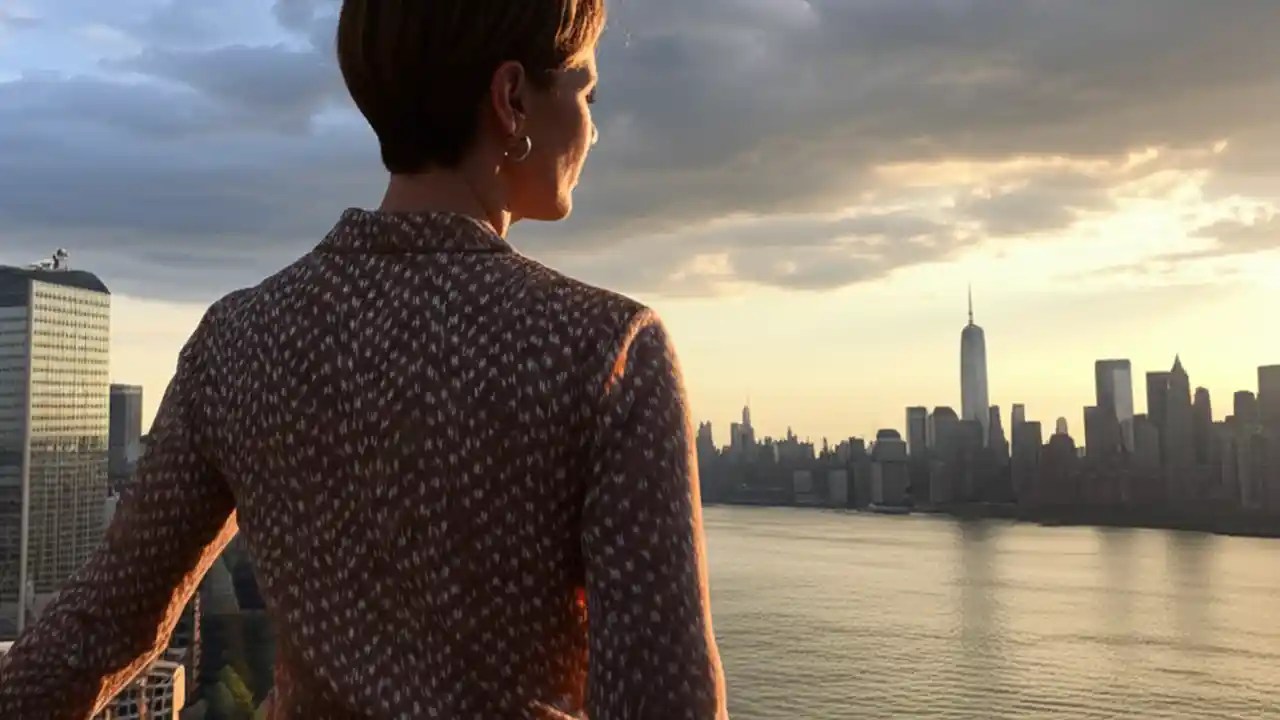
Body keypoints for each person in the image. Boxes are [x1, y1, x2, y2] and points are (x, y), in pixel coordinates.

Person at [0, 1, 728, 718]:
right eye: (586, 93)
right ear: (512, 99)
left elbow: (98, 627)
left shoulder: (240, 338)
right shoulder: (606, 349)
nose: (593, 130)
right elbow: (665, 702)